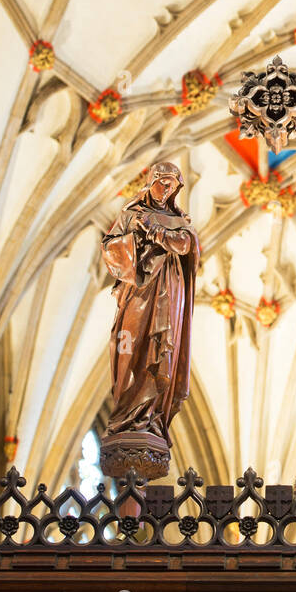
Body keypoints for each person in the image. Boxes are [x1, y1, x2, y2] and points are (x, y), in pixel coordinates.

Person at [101, 162, 199, 449]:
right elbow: (110, 247)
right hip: (138, 291)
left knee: (161, 350)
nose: (166, 189)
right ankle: (127, 414)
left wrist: (159, 235)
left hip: (168, 292)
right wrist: (136, 239)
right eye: (162, 182)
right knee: (130, 349)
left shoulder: (182, 222)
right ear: (150, 182)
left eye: (172, 185)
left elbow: (186, 244)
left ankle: (152, 416)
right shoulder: (131, 216)